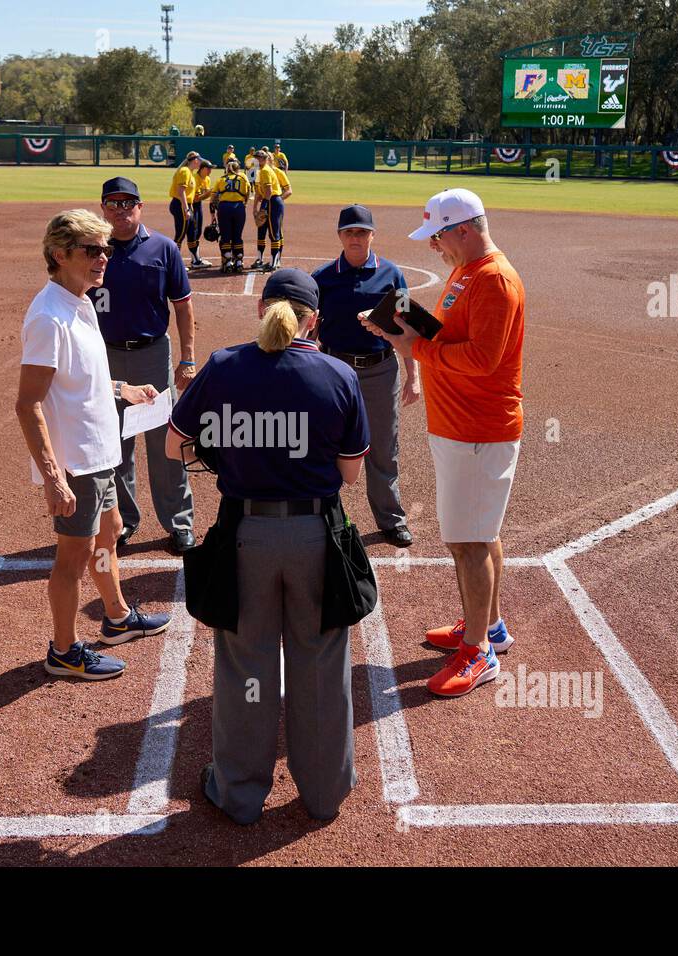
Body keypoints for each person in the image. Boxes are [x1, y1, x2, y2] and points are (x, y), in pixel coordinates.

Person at [166, 268, 370, 824]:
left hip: (245, 537)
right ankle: (324, 794)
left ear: (263, 310)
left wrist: (236, 446)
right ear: (314, 319)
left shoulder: (225, 365)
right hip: (317, 536)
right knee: (321, 666)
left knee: (246, 666)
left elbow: (172, 444)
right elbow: (351, 475)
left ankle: (240, 795)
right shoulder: (337, 374)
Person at [360, 188, 525, 698]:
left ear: (463, 229)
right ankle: (487, 625)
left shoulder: (494, 279)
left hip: (477, 429)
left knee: (468, 542)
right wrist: (407, 324)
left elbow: (483, 360)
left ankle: (479, 653)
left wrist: (414, 346)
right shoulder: (468, 272)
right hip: (460, 427)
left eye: (437, 237)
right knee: (480, 532)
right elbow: (457, 334)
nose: (434, 247)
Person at [16, 209, 172, 681]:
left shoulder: (79, 302)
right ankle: (63, 651)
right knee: (73, 558)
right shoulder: (48, 317)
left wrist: (123, 389)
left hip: (101, 450)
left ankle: (118, 618)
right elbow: (28, 404)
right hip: (77, 462)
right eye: (92, 250)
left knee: (111, 533)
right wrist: (53, 477)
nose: (104, 257)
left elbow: (81, 379)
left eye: (106, 249)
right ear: (60, 255)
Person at [98, 176, 198, 554]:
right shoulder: (94, 250)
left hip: (152, 353)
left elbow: (183, 305)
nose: (121, 210)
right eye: (114, 203)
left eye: (128, 203)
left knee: (163, 442)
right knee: (116, 444)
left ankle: (178, 522)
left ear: (140, 207)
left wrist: (187, 358)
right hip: (106, 356)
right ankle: (124, 521)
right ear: (103, 208)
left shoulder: (163, 248)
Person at [312, 204, 419, 548]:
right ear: (340, 236)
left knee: (384, 447)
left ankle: (391, 519)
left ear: (372, 234)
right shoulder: (323, 278)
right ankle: (327, 518)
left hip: (381, 369)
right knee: (326, 444)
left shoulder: (391, 274)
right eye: (349, 231)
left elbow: (407, 327)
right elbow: (311, 330)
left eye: (361, 231)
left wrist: (413, 375)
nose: (355, 237)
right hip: (335, 371)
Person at [213, 159, 251, 273]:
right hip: (239, 208)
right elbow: (248, 191)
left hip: (224, 208)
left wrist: (215, 207)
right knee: (237, 235)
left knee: (225, 236)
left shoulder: (221, 179)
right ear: (237, 168)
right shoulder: (243, 177)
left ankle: (228, 262)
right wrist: (245, 202)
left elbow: (214, 195)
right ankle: (239, 262)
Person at [253, 149, 285, 271]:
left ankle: (273, 263)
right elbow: (261, 193)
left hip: (273, 201)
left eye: (260, 157)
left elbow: (269, 191)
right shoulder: (261, 171)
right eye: (256, 157)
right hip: (270, 201)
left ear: (265, 159)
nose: (257, 159)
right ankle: (271, 261)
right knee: (264, 230)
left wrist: (264, 205)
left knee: (273, 232)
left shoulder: (265, 171)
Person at [168, 151, 201, 257]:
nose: (200, 162)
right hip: (181, 205)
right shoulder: (185, 171)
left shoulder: (190, 173)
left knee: (191, 232)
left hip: (186, 205)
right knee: (180, 234)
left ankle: (196, 260)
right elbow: (180, 191)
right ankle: (173, 261)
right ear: (195, 160)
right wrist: (186, 209)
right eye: (199, 160)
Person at [187, 159, 215, 269]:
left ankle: (197, 258)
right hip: (192, 206)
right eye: (209, 169)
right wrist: (210, 192)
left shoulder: (207, 179)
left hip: (199, 207)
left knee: (198, 232)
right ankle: (195, 260)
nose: (210, 171)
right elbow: (196, 199)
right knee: (193, 233)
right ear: (202, 169)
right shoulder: (195, 178)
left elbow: (204, 197)